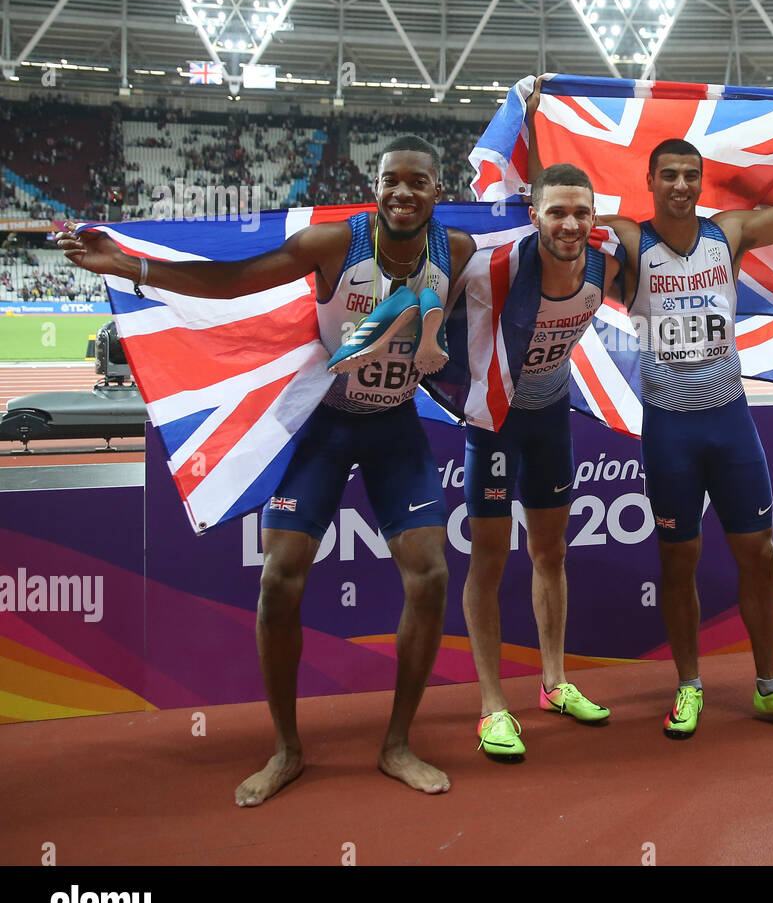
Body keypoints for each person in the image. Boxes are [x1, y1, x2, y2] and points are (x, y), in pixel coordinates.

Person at [58, 136, 476, 802]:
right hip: (327, 421)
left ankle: (397, 742)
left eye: (417, 181)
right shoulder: (334, 245)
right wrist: (131, 266)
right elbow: (231, 282)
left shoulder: (456, 252)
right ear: (375, 185)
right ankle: (287, 749)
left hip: (396, 425)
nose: (403, 192)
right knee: (280, 580)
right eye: (390, 180)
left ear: (437, 188)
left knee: (430, 576)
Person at [595, 95, 773, 739]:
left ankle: (771, 687)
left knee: (760, 555)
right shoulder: (632, 240)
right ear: (652, 182)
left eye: (691, 175)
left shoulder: (732, 232)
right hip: (669, 429)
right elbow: (561, 217)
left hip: (730, 421)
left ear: (700, 180)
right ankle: (689, 685)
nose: (682, 185)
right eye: (669, 175)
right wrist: (532, 123)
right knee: (678, 561)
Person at [457, 162, 624, 761]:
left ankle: (554, 683)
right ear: (534, 216)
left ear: (594, 214)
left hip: (552, 417)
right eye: (557, 211)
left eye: (581, 211)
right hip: (496, 425)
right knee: (490, 562)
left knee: (550, 552)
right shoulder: (494, 265)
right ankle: (493, 706)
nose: (570, 223)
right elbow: (427, 288)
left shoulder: (606, 263)